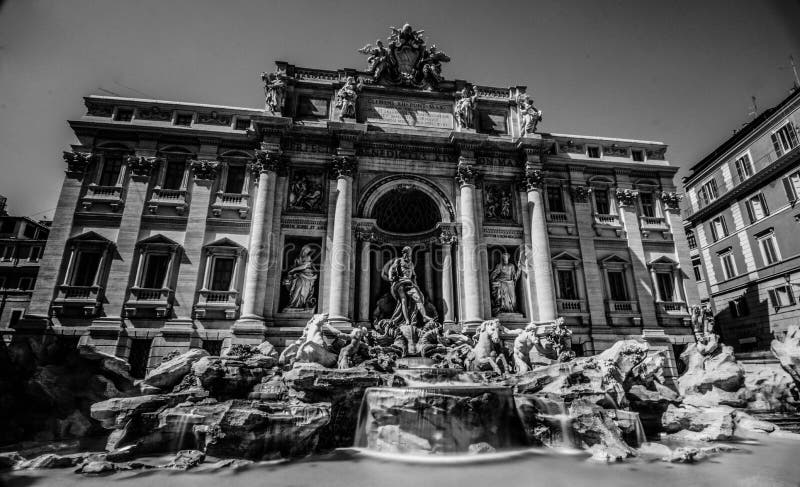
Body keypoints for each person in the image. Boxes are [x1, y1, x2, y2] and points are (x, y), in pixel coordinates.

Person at [282, 244, 318, 310]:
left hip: (309, 276)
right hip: (299, 276)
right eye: (306, 250)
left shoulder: (309, 258)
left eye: (308, 251)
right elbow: (293, 268)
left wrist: (294, 270)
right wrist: (293, 271)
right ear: (303, 250)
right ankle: (294, 303)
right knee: (298, 286)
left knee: (305, 290)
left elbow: (310, 267)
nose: (307, 252)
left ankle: (303, 303)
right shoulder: (297, 259)